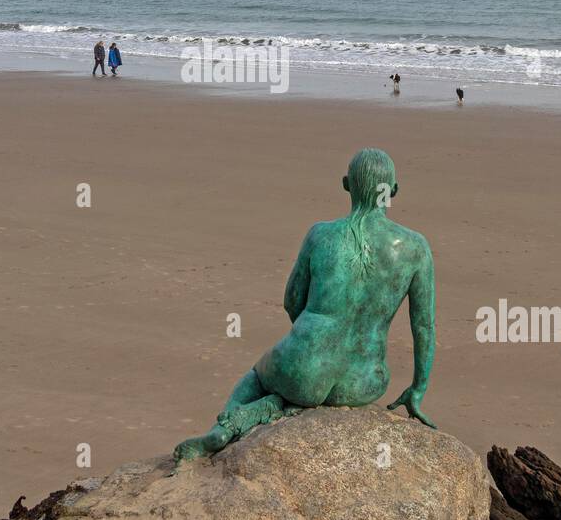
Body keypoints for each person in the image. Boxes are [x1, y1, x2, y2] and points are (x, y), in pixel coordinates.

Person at [174, 148, 436, 463]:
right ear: (393, 191)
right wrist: (417, 389)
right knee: (307, 385)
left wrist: (313, 342)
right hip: (366, 382)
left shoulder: (321, 234)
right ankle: (278, 404)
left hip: (302, 365)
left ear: (346, 185)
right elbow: (423, 327)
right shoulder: (416, 248)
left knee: (257, 376)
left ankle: (226, 424)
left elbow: (292, 301)